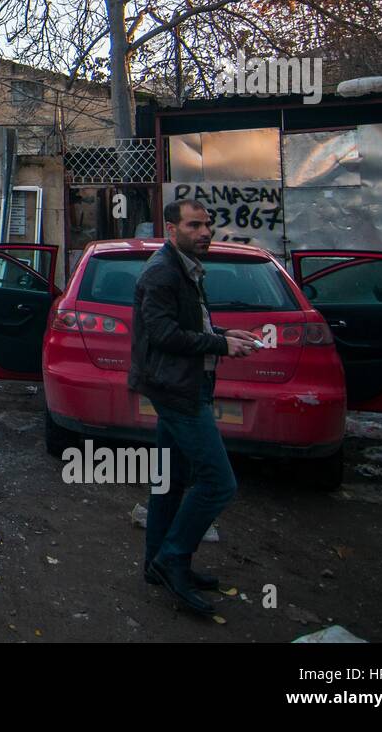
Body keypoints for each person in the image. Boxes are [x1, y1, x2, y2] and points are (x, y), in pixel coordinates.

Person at [128, 200, 258, 615]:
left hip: (183, 384)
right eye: (194, 225)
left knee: (171, 479)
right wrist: (220, 344)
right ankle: (173, 559)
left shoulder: (184, 266)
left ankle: (155, 564)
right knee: (219, 483)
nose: (205, 232)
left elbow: (187, 325)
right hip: (177, 391)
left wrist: (221, 331)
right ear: (171, 229)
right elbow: (164, 333)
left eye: (208, 225)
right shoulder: (164, 271)